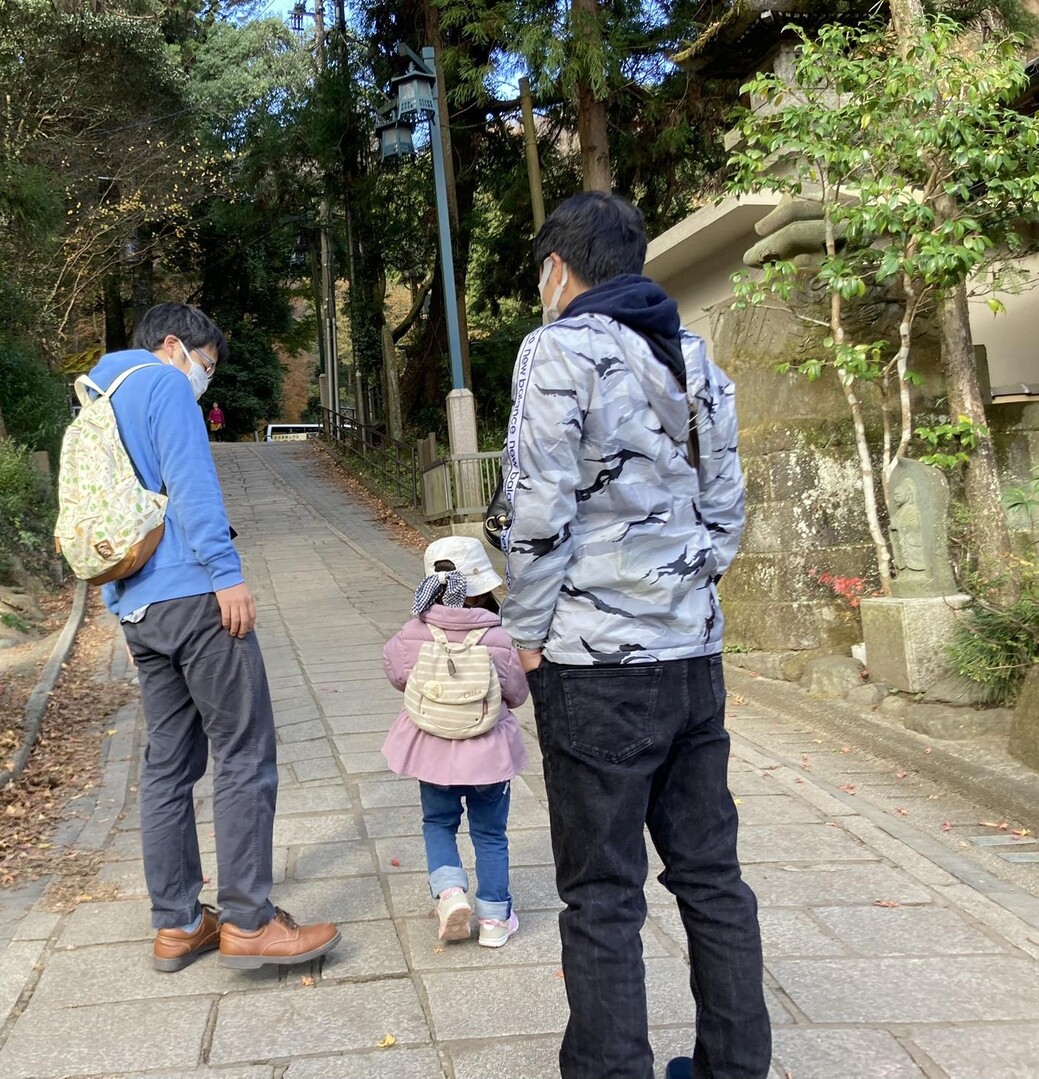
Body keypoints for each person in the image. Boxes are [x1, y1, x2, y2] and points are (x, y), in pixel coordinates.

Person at [500, 193, 768, 1079]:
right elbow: (725, 507)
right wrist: (685, 593)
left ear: (557, 269)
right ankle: (735, 1065)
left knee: (602, 891)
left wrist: (526, 632)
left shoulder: (556, 350)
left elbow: (537, 511)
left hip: (593, 664)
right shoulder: (695, 356)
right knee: (709, 875)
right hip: (691, 656)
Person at [86, 302, 339, 972]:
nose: (204, 378)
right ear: (173, 344)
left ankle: (176, 924)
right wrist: (226, 575)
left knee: (167, 763)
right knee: (244, 750)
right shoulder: (163, 383)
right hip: (193, 594)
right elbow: (193, 485)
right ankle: (249, 922)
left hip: (136, 604)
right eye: (205, 363)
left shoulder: (98, 394)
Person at [381, 537, 529, 948]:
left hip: (432, 751)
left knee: (439, 822)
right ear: (483, 586)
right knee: (490, 833)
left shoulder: (414, 631)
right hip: (487, 756)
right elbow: (516, 693)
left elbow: (396, 675)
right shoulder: (499, 636)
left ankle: (449, 893)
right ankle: (496, 919)